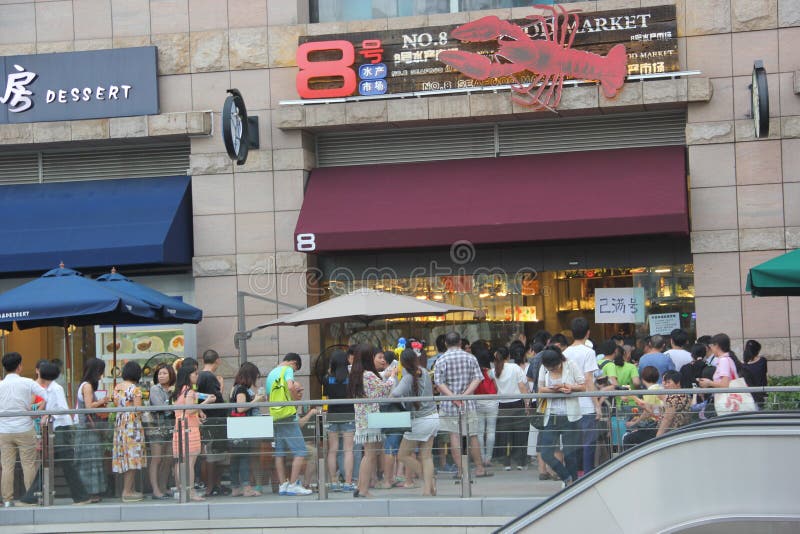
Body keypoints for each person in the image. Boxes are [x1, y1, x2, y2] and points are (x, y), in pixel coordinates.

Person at [19, 362, 91, 506]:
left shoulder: (55, 389)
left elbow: (62, 409)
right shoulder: (51, 389)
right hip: (57, 430)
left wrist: (48, 416)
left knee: (58, 465)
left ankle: (31, 498)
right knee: (56, 465)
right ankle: (81, 497)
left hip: (61, 430)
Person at [433, 332, 491, 480]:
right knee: (472, 436)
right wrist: (464, 395)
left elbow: (439, 383)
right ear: (460, 342)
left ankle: (461, 470)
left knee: (455, 437)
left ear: (446, 343)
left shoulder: (441, 359)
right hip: (468, 403)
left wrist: (453, 397)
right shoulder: (470, 357)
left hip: (448, 405)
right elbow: (478, 378)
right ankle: (478, 468)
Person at [348, 343, 397, 498]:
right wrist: (392, 377)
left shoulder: (357, 373)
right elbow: (383, 390)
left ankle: (361, 487)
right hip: (371, 417)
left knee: (367, 454)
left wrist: (385, 376)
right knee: (370, 454)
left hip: (362, 418)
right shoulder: (368, 374)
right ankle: (363, 489)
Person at [390, 348, 440, 496]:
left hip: (419, 420)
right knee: (426, 456)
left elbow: (395, 394)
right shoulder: (424, 372)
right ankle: (427, 490)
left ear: (402, 362)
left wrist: (393, 378)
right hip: (433, 417)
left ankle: (429, 481)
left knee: (402, 455)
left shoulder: (407, 377)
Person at [0, 352, 47, 507]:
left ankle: (7, 500)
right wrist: (38, 410)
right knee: (29, 464)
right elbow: (47, 394)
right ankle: (30, 498)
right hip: (25, 428)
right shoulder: (28, 382)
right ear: (19, 366)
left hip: (4, 430)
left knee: (7, 466)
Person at [537, 346, 585, 487]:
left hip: (570, 415)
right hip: (551, 415)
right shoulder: (544, 367)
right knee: (545, 452)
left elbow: (583, 386)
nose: (552, 370)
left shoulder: (570, 365)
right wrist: (554, 390)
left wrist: (567, 386)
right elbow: (540, 389)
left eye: (554, 367)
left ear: (560, 361)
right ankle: (566, 477)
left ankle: (573, 484)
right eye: (549, 368)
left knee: (570, 454)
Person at [266, 353, 312, 496]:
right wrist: (294, 402)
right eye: (296, 368)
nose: (294, 371)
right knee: (300, 451)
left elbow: (268, 396)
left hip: (275, 415)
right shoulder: (287, 370)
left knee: (279, 452)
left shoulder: (270, 374)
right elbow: (291, 387)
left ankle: (283, 485)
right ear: (293, 363)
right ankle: (292, 484)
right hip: (287, 414)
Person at [172, 359, 215, 501]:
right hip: (190, 429)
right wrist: (206, 402)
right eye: (195, 374)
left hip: (179, 427)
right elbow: (190, 410)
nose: (197, 376)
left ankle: (181, 489)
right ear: (188, 376)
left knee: (180, 462)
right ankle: (190, 492)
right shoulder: (189, 392)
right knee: (190, 462)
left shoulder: (178, 391)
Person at [562, 317, 600, 476]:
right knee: (588, 443)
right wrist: (597, 405)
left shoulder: (564, 353)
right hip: (586, 405)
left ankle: (573, 476)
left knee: (572, 443)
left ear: (572, 333)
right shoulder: (589, 352)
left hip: (569, 404)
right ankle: (587, 475)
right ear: (588, 333)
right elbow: (589, 380)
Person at [75, 357, 110, 503]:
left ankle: (88, 492)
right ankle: (90, 493)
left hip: (84, 427)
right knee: (90, 460)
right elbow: (89, 406)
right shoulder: (87, 386)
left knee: (86, 460)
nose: (101, 375)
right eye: (101, 371)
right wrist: (102, 401)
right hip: (88, 428)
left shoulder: (83, 385)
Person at [228, 362, 266, 497]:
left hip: (236, 426)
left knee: (236, 458)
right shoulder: (241, 389)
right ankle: (246, 487)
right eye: (256, 377)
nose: (256, 380)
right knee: (244, 457)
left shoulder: (235, 388)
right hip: (242, 426)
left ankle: (235, 487)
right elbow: (241, 407)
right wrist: (256, 400)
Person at [112, 361, 148, 502]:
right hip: (132, 424)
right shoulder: (135, 389)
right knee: (133, 456)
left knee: (124, 455)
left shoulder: (117, 387)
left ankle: (130, 489)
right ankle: (127, 491)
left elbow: (115, 403)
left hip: (120, 422)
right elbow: (137, 410)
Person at [196, 349, 229, 497]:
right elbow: (216, 399)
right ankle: (211, 486)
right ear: (218, 360)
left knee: (210, 456)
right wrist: (221, 387)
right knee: (212, 456)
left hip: (205, 420)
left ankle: (213, 485)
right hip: (213, 421)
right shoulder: (210, 377)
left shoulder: (199, 377)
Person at [322, 350, 356, 492]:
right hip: (348, 414)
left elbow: (326, 397)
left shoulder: (327, 378)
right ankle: (348, 482)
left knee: (332, 450)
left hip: (332, 414)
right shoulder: (352, 377)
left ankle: (333, 482)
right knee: (348, 450)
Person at [491, 346, 529, 471]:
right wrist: (527, 404)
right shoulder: (515, 368)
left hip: (502, 405)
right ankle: (520, 462)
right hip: (517, 403)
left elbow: (497, 388)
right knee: (520, 435)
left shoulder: (494, 370)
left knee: (505, 436)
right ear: (508, 356)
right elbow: (522, 387)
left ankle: (506, 463)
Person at [146, 363, 175, 500]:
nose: (161, 376)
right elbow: (161, 407)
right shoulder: (155, 389)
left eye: (164, 373)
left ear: (171, 374)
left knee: (168, 459)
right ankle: (155, 490)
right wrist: (172, 400)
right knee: (156, 459)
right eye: (160, 373)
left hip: (170, 426)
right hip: (156, 427)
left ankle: (163, 487)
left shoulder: (174, 388)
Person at [622, 366, 664, 450]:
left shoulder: (649, 392)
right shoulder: (660, 388)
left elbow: (648, 412)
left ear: (642, 378)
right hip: (659, 423)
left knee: (627, 438)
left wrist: (634, 423)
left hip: (653, 426)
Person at [473, 345, 498, 468]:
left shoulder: (474, 372)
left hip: (477, 401)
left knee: (479, 431)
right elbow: (497, 387)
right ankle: (488, 458)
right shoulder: (492, 372)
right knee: (491, 431)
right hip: (492, 401)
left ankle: (481, 458)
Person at [656, 370, 691, 437]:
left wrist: (657, 437)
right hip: (681, 431)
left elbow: (668, 418)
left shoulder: (673, 397)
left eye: (668, 382)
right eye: (664, 382)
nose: (665, 385)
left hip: (671, 434)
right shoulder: (685, 394)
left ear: (678, 383)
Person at [741, 339, 768, 408]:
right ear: (757, 351)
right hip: (762, 394)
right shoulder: (762, 361)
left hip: (749, 398)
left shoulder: (742, 366)